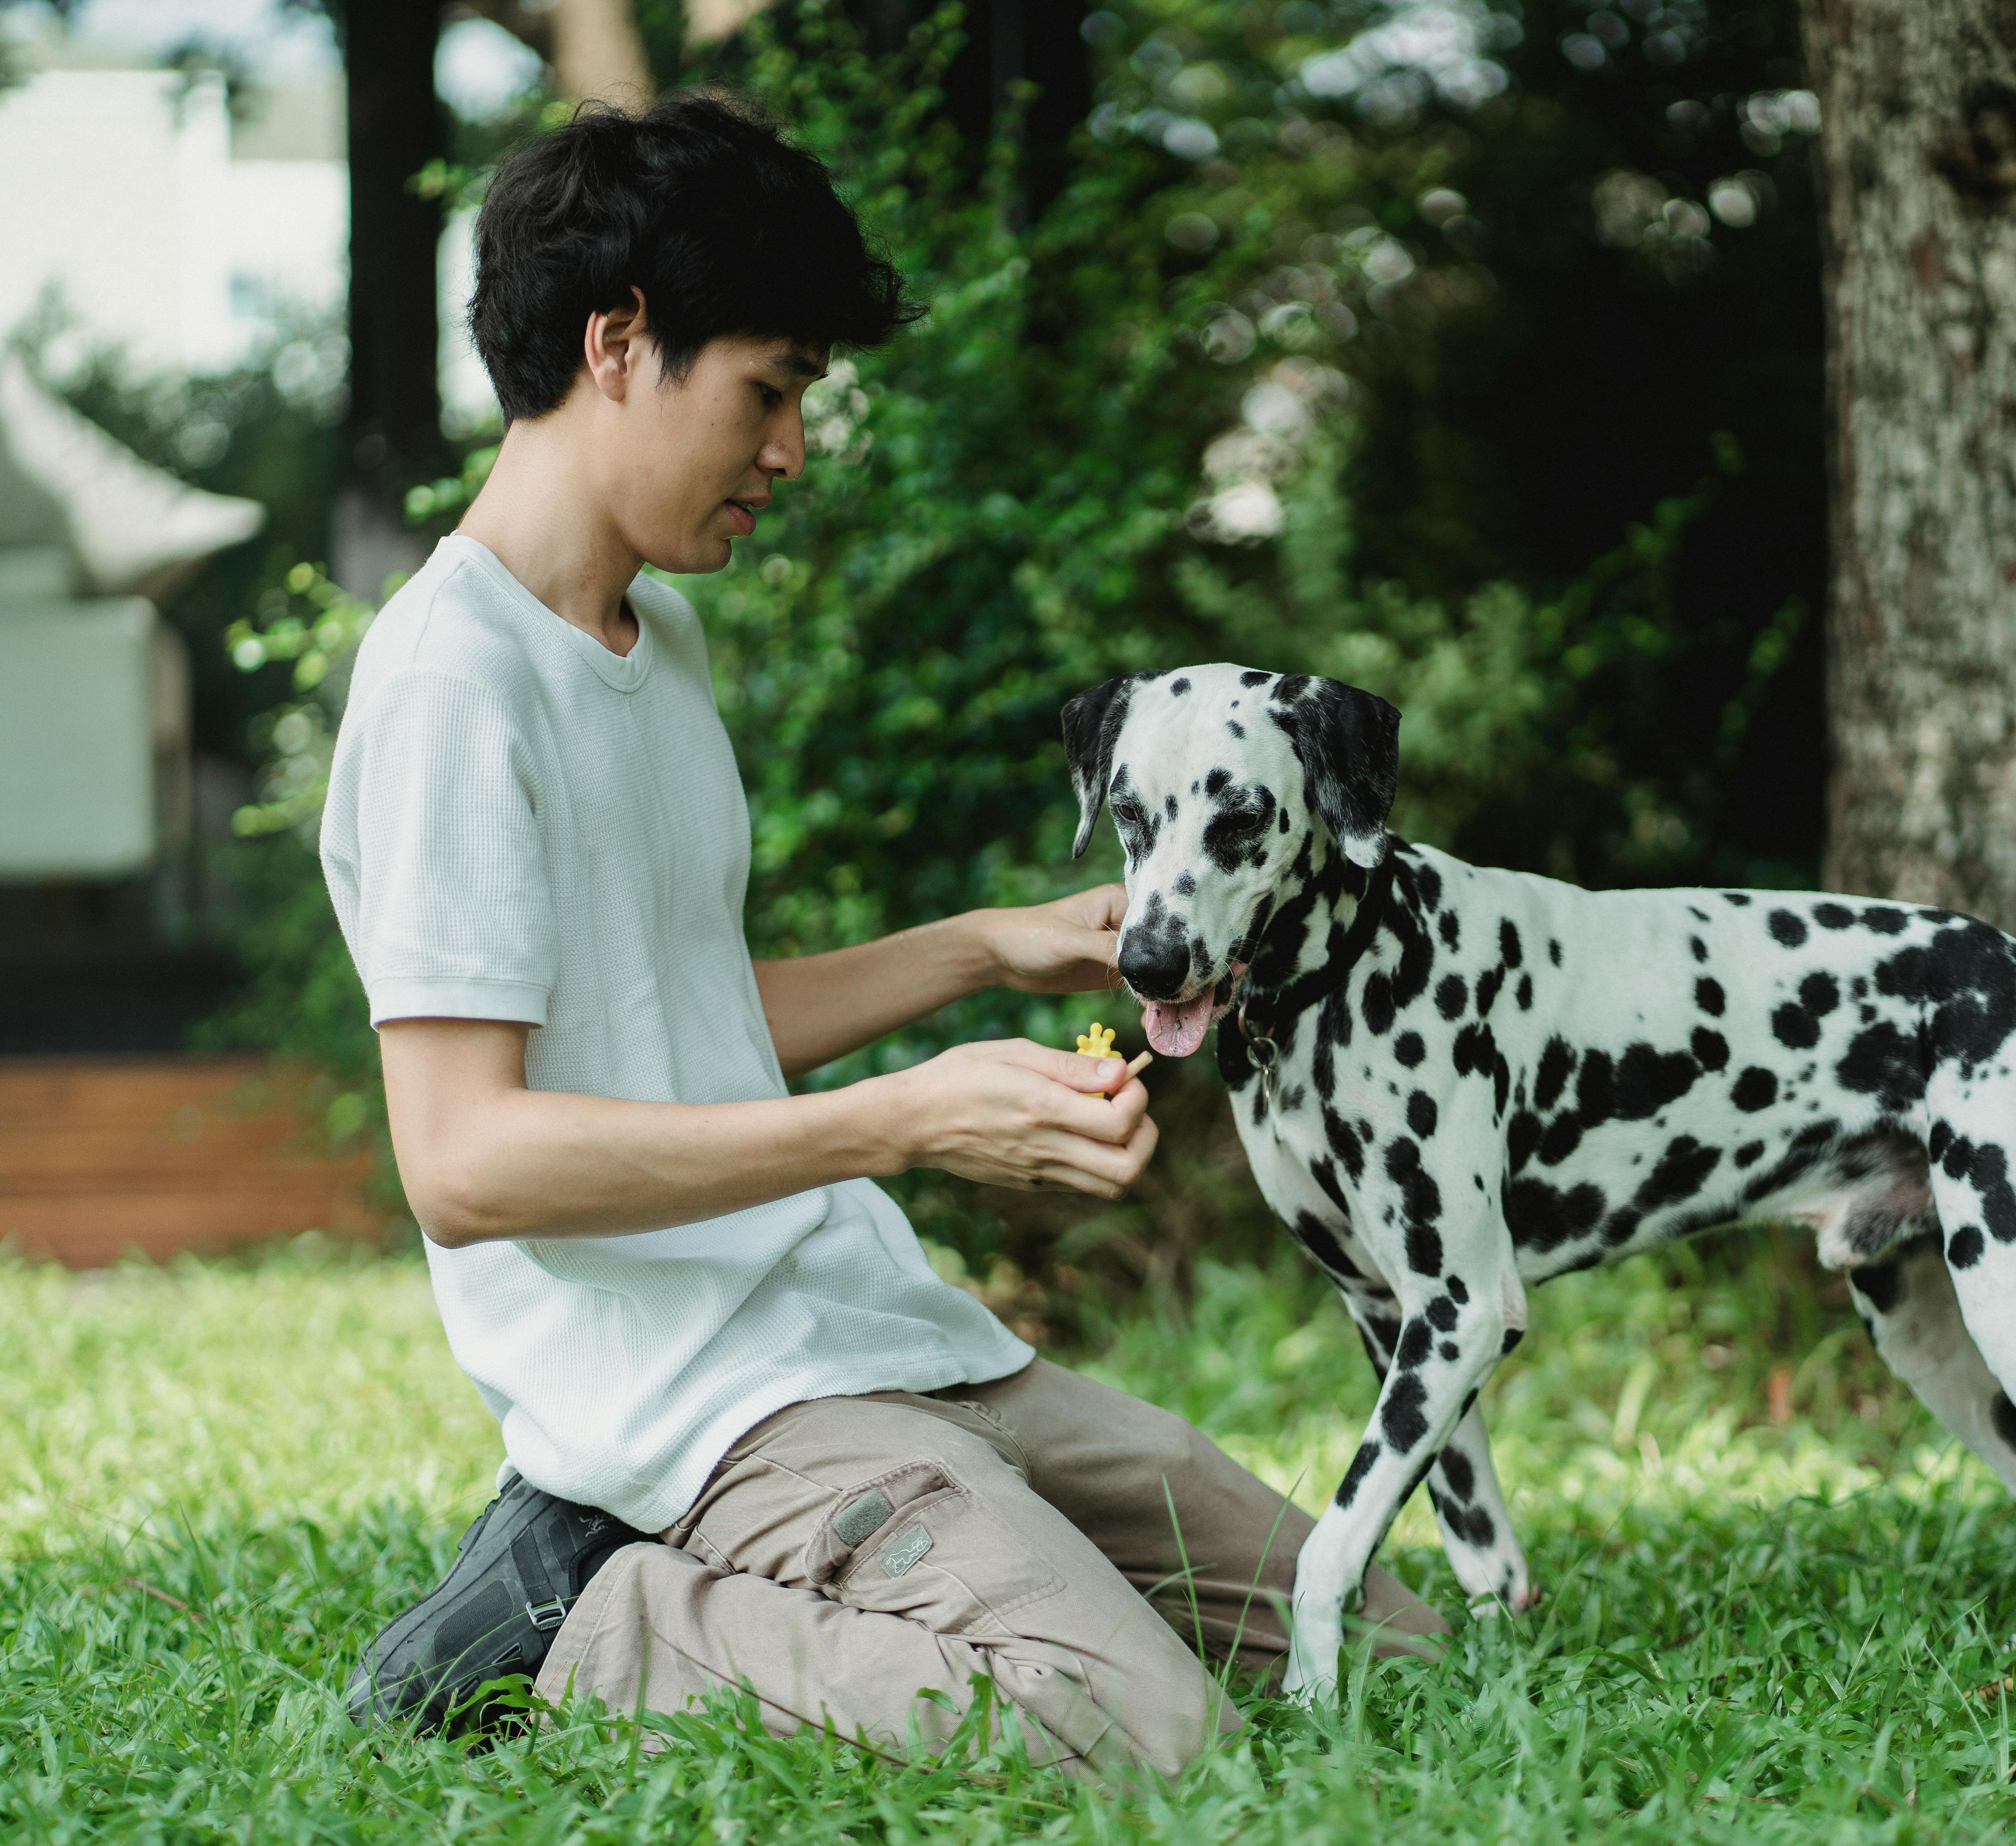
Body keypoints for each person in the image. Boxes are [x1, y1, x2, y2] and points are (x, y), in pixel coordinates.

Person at [325, 90, 1443, 1777]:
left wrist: (987, 946)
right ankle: (583, 1626)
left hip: (872, 1327)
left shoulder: (657, 637)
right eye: (767, 391)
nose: (789, 451)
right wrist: (907, 1120)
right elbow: (466, 1163)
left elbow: (676, 1020)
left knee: (1394, 1652)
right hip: (695, 1395)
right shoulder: (447, 684)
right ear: (618, 344)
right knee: (1146, 1737)